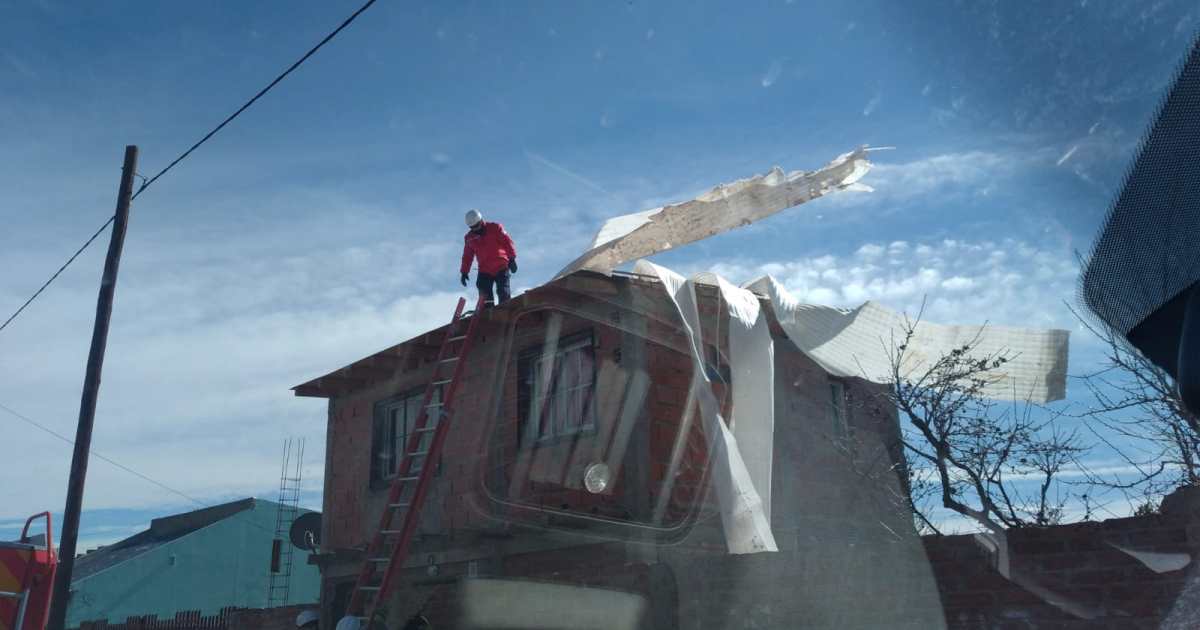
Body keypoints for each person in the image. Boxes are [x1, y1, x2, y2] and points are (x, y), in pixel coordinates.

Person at [460, 209, 517, 305]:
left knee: (502, 290)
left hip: (501, 265)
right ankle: (487, 309)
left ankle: (505, 308)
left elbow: (507, 242)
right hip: (485, 269)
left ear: (481, 221)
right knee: (483, 288)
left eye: (477, 226)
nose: (476, 229)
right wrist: (464, 272)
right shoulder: (470, 238)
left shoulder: (495, 228)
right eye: (473, 228)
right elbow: (467, 256)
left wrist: (512, 259)